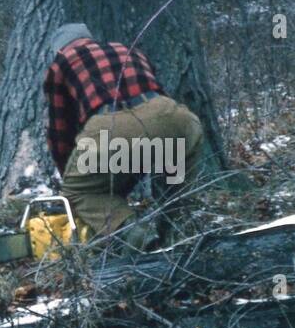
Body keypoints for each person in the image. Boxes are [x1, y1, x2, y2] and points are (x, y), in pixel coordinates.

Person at [43, 23, 204, 251]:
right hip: (171, 116)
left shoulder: (61, 64)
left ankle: (135, 234)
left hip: (112, 124)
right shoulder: (127, 49)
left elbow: (61, 132)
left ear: (60, 50)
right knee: (174, 178)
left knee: (77, 191)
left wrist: (74, 175)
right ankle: (178, 231)